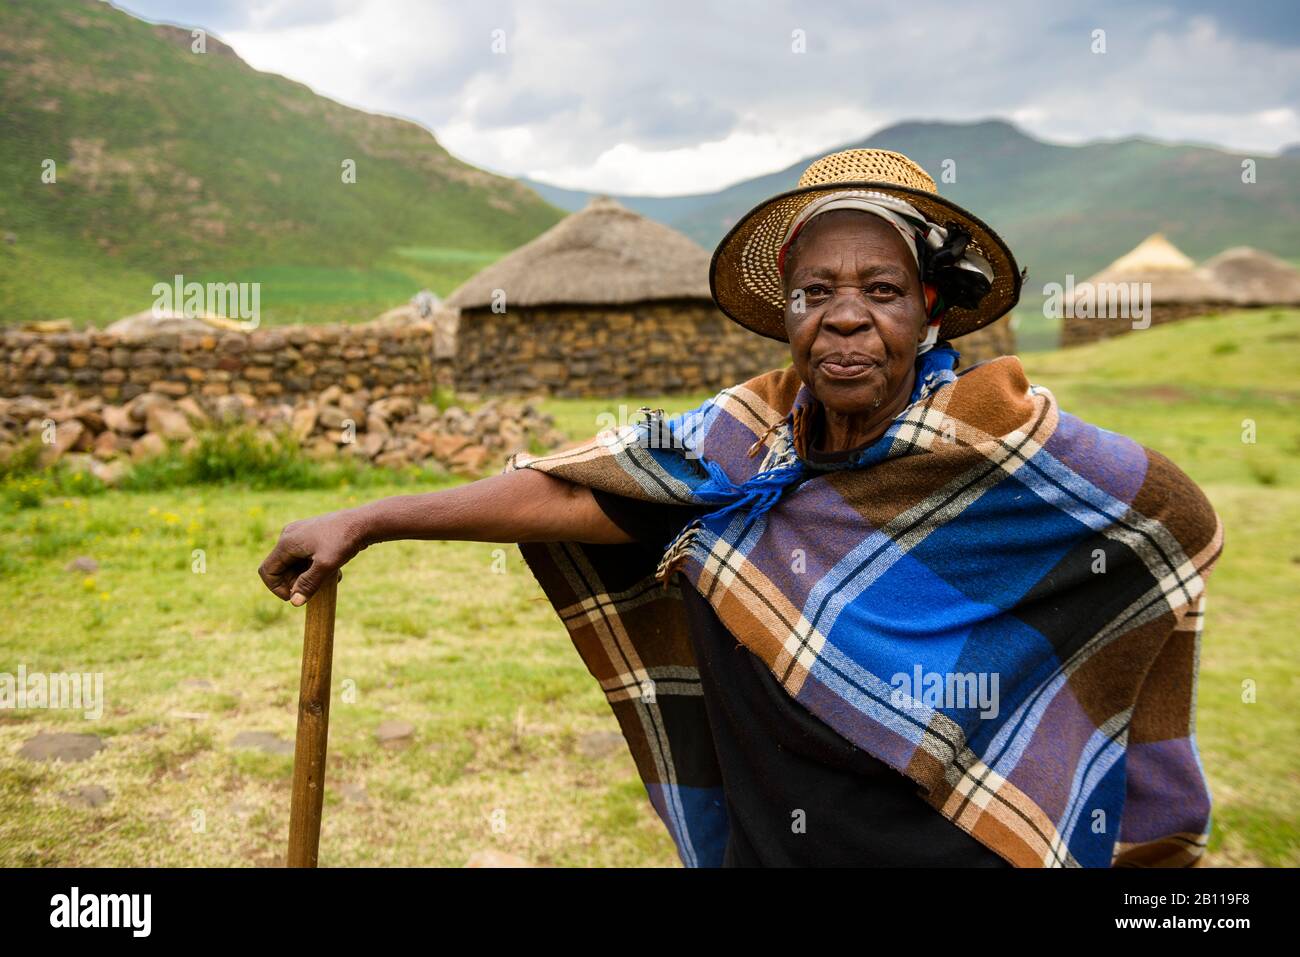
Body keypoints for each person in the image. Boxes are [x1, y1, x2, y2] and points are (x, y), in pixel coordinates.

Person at [259, 148, 1222, 868]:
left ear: (931, 309)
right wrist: (373, 517)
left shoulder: (995, 439)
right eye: (817, 291)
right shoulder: (751, 433)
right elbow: (590, 488)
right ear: (789, 311)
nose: (846, 315)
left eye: (881, 290)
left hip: (950, 843)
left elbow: (1176, 521)